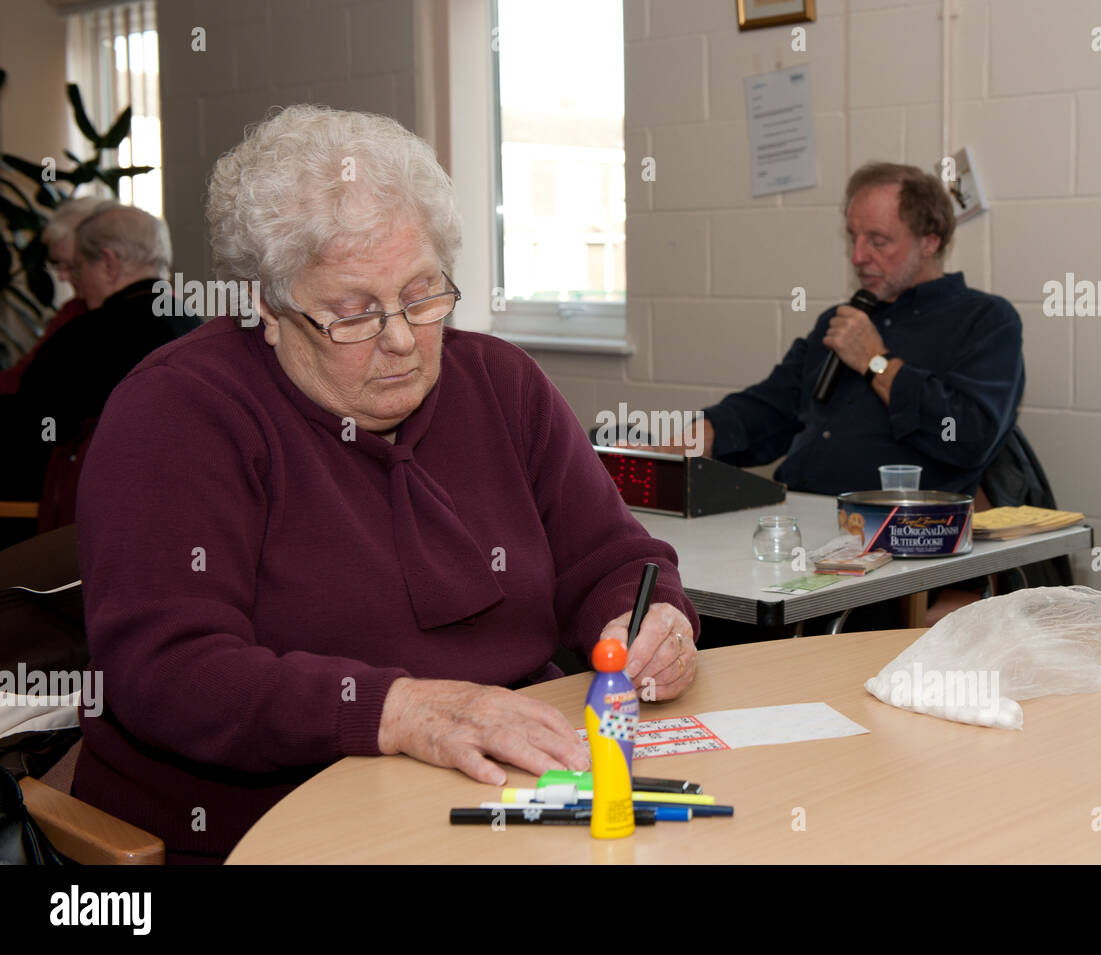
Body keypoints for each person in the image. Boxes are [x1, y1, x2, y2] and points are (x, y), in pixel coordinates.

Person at [72, 105, 701, 864]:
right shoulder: (178, 412)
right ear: (268, 308)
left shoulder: (502, 385)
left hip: (498, 795)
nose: (403, 338)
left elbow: (609, 561)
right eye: (354, 312)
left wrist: (654, 618)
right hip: (262, 829)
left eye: (424, 293)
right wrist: (399, 710)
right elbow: (169, 671)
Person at [685, 161, 1024, 499]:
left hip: (902, 530)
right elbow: (775, 406)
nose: (858, 256)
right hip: (799, 513)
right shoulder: (844, 318)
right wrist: (704, 433)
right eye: (853, 238)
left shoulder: (985, 320)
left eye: (878, 241)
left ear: (929, 242)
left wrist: (876, 361)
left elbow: (968, 436)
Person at [0, 201, 198, 532]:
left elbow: (23, 427)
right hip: (182, 515)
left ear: (108, 263)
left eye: (77, 269)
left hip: (89, 529)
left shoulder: (86, 336)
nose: (75, 283)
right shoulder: (197, 328)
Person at [0, 196, 104, 395]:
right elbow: (21, 378)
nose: (63, 277)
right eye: (57, 265)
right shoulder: (73, 310)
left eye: (71, 266)